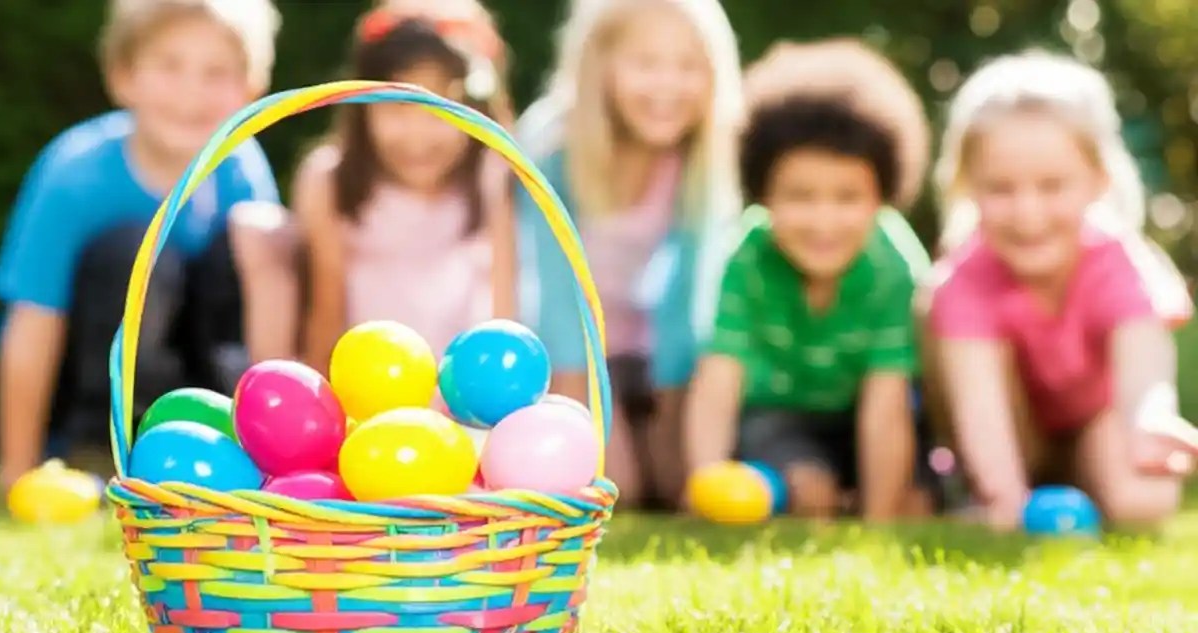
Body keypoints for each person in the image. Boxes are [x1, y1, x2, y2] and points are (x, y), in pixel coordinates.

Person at [0, 0, 287, 490]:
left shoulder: (241, 170)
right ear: (123, 76)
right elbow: (34, 324)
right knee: (134, 252)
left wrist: (276, 456)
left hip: (193, 383)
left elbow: (266, 304)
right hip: (94, 376)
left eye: (217, 72)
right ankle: (99, 450)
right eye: (170, 66)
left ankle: (218, 451)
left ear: (251, 91)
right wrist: (15, 470)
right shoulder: (75, 171)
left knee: (245, 244)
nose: (192, 92)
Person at [922, 50, 1198, 530]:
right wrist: (1004, 497)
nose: (1028, 213)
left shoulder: (1116, 258)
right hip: (1015, 434)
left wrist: (1147, 421)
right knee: (1003, 503)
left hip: (1096, 425)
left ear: (1097, 181)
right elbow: (979, 403)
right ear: (968, 186)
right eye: (1001, 189)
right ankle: (993, 490)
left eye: (1052, 186)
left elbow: (1142, 358)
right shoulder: (965, 277)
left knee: (1146, 500)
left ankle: (1089, 478)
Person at [684, 39, 940, 520]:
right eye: (801, 197)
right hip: (780, 418)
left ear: (880, 197)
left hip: (867, 414)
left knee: (915, 505)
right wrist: (705, 480)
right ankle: (820, 494)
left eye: (846, 198)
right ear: (764, 195)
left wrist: (879, 522)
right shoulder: (747, 255)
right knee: (809, 494)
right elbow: (720, 379)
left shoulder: (894, 264)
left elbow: (887, 399)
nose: (824, 222)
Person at [516, 0, 744, 511]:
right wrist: (598, 425)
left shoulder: (697, 154)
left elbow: (688, 295)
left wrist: (674, 430)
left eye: (688, 67)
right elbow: (555, 299)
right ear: (601, 67)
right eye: (645, 64)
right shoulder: (554, 144)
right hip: (556, 353)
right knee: (621, 488)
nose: (668, 87)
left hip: (643, 352)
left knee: (671, 486)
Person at [274, 4, 516, 376]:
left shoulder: (493, 176)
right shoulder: (329, 179)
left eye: (442, 105)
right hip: (368, 389)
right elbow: (326, 313)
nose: (418, 133)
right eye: (398, 106)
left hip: (465, 394)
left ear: (475, 108)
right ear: (363, 107)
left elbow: (506, 313)